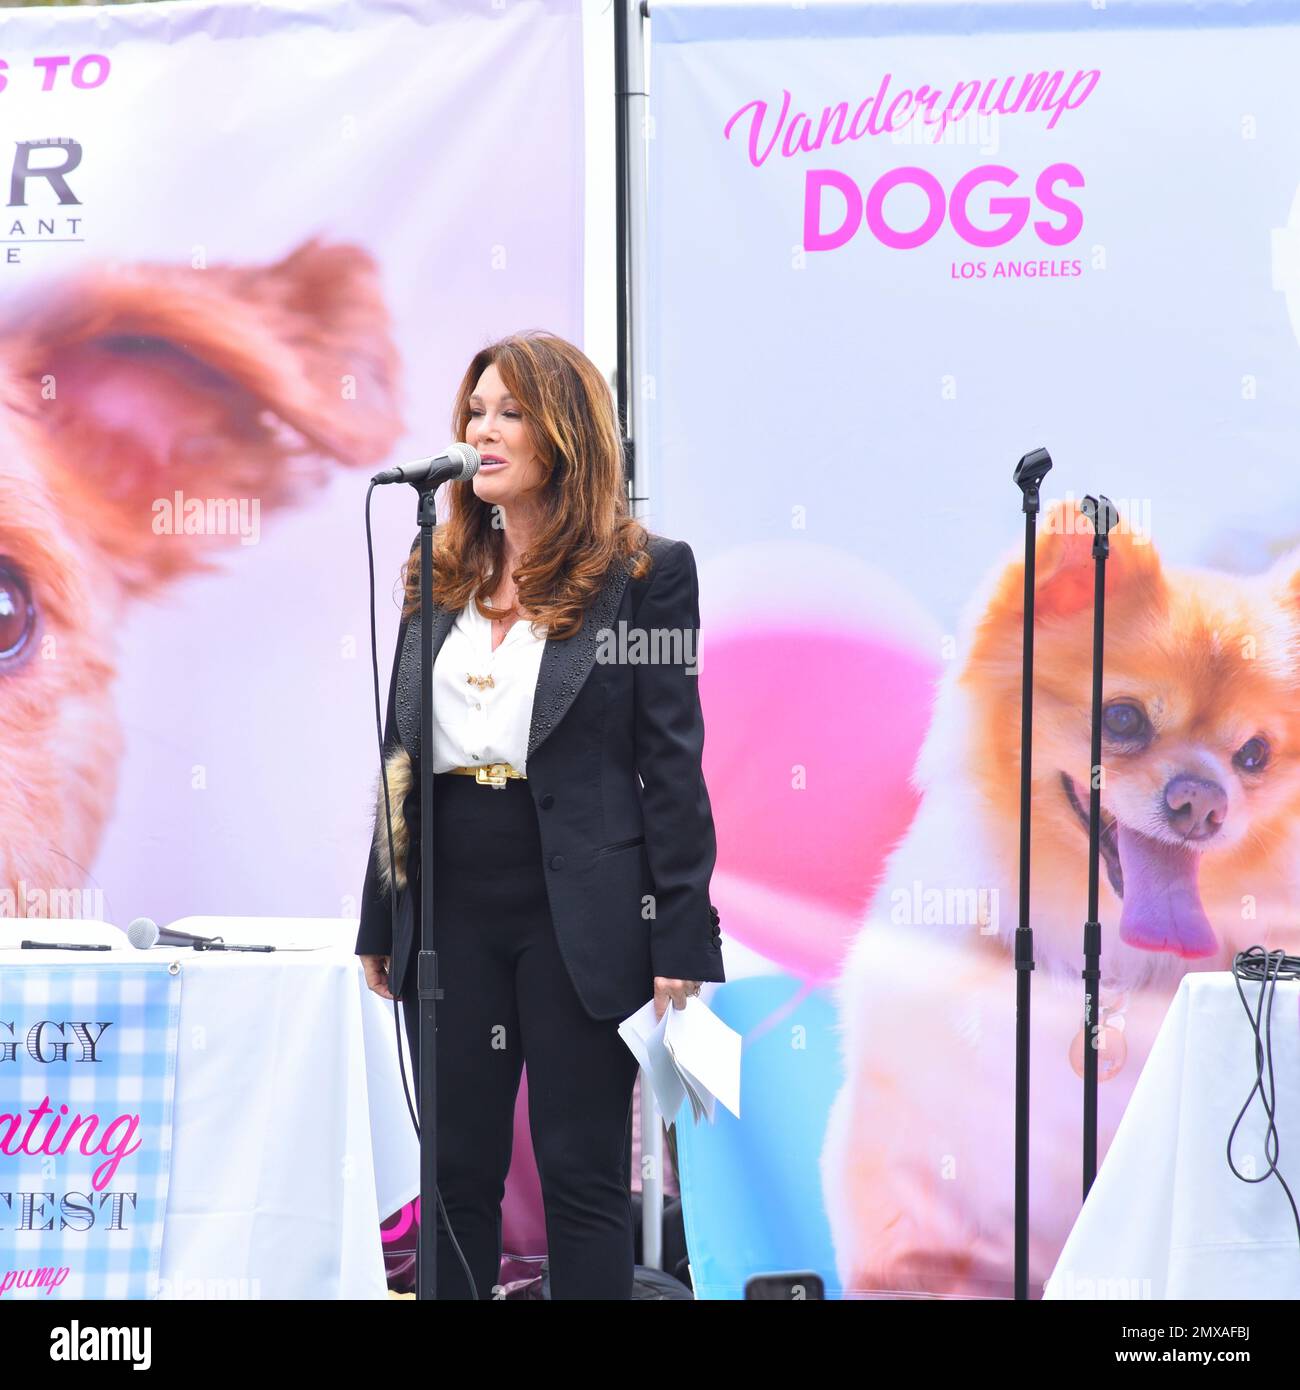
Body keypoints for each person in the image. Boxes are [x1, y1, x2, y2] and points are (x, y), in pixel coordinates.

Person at [354, 330, 725, 1300]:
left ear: (562, 433)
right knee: (453, 1180)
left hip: (583, 910)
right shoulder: (434, 573)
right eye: (474, 411)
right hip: (449, 909)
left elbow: (671, 766)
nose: (482, 431)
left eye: (508, 412)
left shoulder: (643, 575)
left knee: (580, 1175)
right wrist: (380, 910)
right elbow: (401, 759)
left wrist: (679, 932)